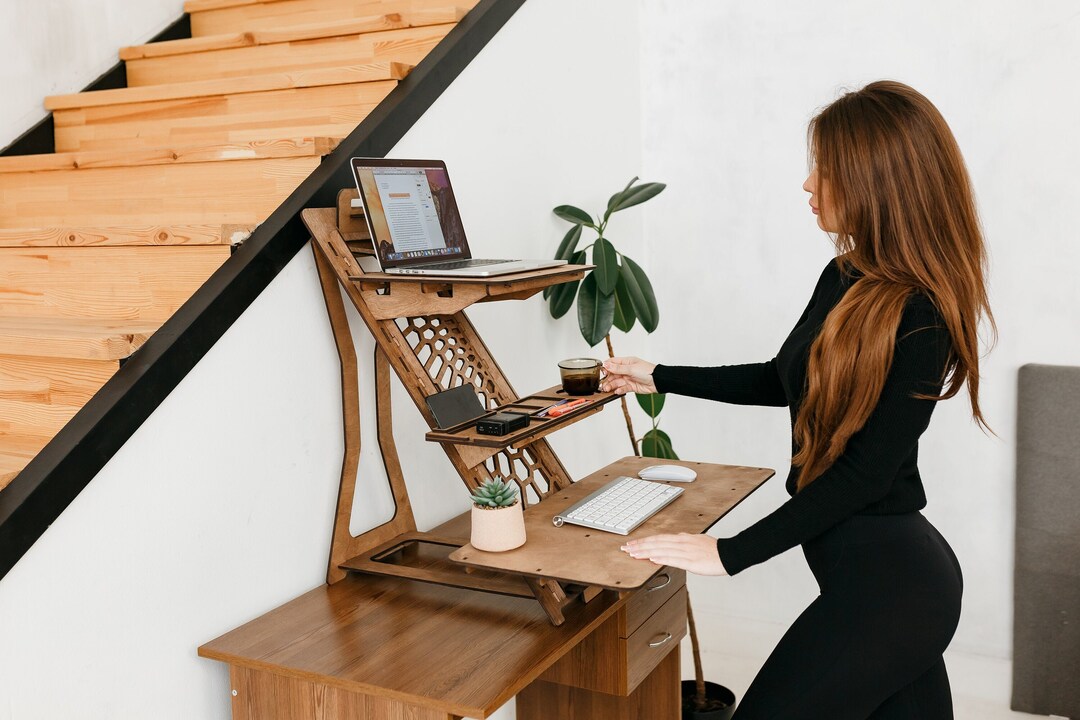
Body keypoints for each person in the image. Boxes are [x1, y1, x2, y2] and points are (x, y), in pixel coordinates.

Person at [602, 80, 994, 720]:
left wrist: (730, 552)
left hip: (895, 588)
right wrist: (660, 374)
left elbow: (865, 475)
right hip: (867, 580)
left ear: (876, 181)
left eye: (828, 169)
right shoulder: (844, 277)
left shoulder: (923, 314)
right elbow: (783, 380)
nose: (808, 185)